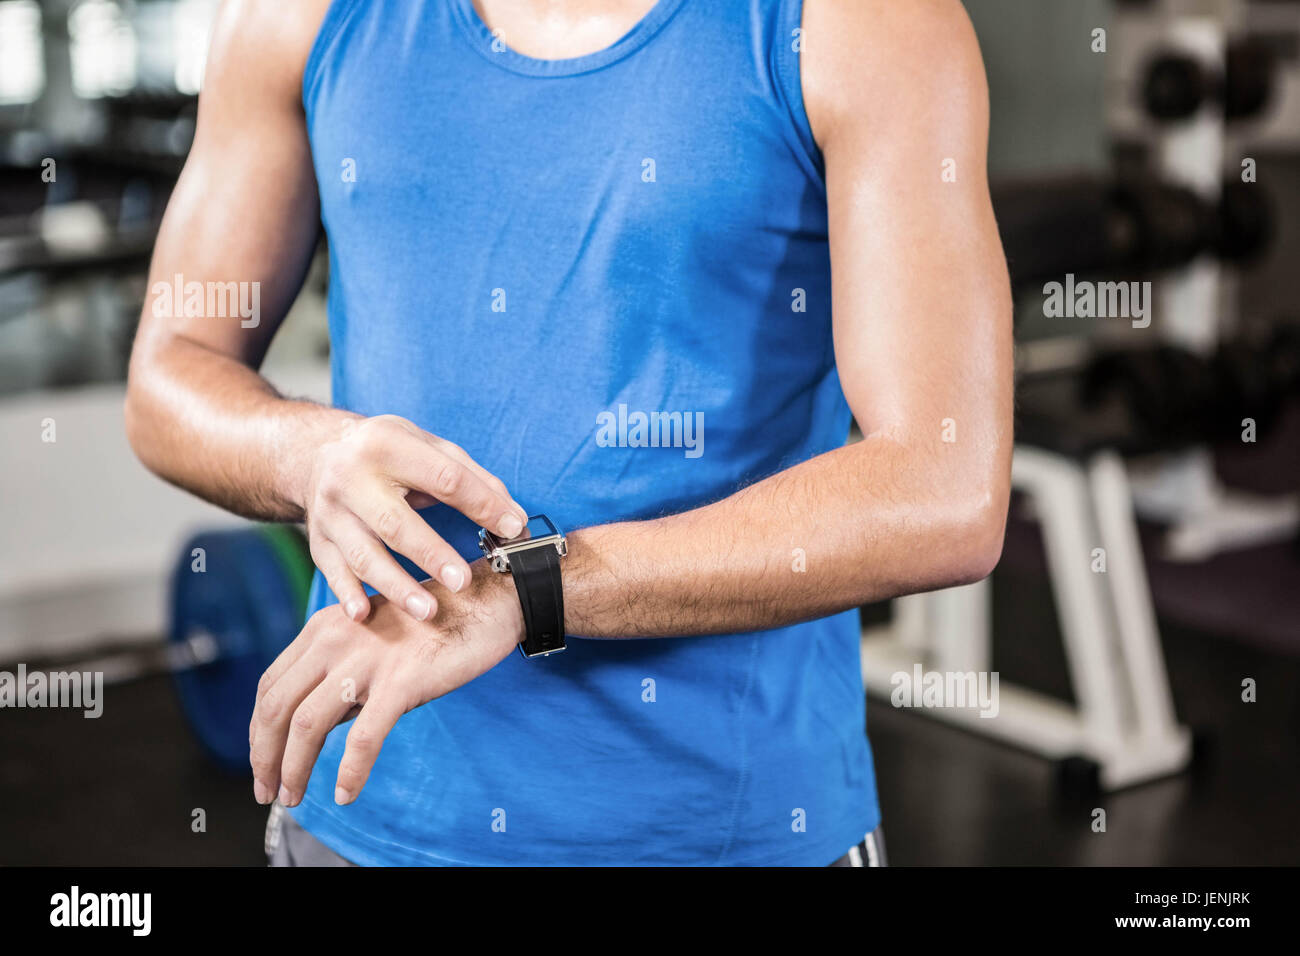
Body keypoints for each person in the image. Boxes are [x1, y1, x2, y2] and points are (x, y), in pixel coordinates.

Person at [125, 0, 1012, 866]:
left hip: (726, 831)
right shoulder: (299, 16)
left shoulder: (867, 22)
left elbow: (942, 486)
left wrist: (525, 590)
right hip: (364, 811)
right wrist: (306, 453)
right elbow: (170, 374)